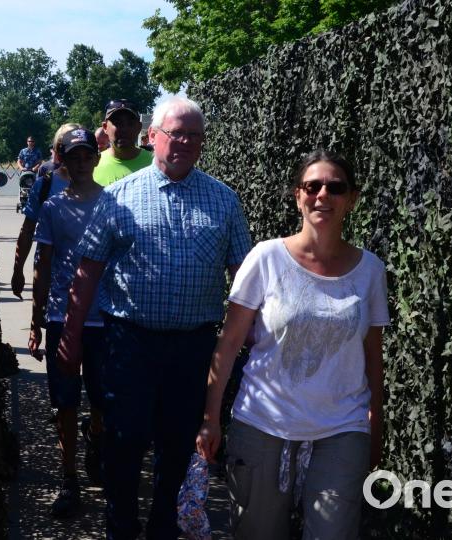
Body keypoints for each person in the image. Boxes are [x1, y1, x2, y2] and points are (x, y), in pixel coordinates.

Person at [58, 96, 252, 539]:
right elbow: (88, 269)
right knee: (123, 442)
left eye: (193, 136)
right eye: (175, 133)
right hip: (130, 343)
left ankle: (163, 527)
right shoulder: (120, 197)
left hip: (193, 347)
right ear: (154, 137)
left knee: (178, 444)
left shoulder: (224, 200)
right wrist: (70, 333)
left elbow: (243, 276)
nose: (184, 142)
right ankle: (121, 528)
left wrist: (253, 338)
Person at [196, 150, 389, 540]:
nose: (323, 195)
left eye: (335, 187)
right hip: (264, 425)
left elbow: (373, 356)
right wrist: (210, 418)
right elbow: (230, 343)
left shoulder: (371, 271)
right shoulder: (266, 258)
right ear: (298, 195)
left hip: (342, 430)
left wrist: (376, 427)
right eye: (312, 186)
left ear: (351, 198)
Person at [28, 128, 106, 518]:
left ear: (95, 158)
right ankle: (68, 478)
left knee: (104, 398)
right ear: (64, 160)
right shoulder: (53, 208)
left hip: (102, 319)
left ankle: (95, 437)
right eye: (72, 156)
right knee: (64, 402)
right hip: (61, 315)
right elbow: (42, 266)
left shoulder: (112, 205)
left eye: (85, 155)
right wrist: (35, 319)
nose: (78, 163)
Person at [9, 123, 80, 298]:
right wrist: (18, 269)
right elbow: (27, 229)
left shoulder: (100, 182)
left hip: (87, 278)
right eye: (65, 147)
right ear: (57, 150)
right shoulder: (44, 184)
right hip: (49, 274)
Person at [94, 98, 153, 187]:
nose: (124, 129)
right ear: (105, 127)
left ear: (139, 127)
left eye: (130, 123)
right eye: (117, 123)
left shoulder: (156, 163)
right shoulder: (92, 165)